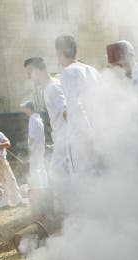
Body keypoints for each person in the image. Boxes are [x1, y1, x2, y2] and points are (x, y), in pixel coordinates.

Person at [55, 35, 101, 179]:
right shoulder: (93, 71)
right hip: (100, 136)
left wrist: (89, 137)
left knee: (82, 183)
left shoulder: (68, 72)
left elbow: (76, 107)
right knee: (99, 180)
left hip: (81, 140)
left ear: (60, 53)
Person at [24, 57, 68, 196]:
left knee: (57, 173)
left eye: (29, 73)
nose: (28, 77)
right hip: (61, 138)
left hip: (66, 138)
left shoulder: (53, 87)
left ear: (37, 71)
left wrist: (71, 138)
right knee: (60, 174)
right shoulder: (49, 88)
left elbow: (66, 111)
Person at [20, 101, 49, 217]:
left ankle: (37, 188)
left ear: (29, 108)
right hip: (40, 147)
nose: (23, 110)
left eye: (24, 108)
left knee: (34, 169)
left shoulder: (32, 119)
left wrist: (29, 147)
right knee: (41, 168)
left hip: (35, 148)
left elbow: (32, 136)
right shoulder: (39, 118)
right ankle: (44, 186)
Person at [0, 130, 24, 208]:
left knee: (10, 179)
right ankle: (3, 203)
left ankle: (17, 200)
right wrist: (1, 146)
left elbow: (8, 144)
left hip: (2, 159)